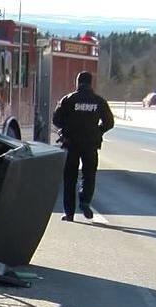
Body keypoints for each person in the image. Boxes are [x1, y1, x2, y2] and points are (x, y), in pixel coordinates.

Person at [52, 70, 114, 221]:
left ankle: (69, 213)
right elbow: (109, 123)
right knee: (89, 175)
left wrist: (66, 129)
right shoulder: (99, 101)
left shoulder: (68, 99)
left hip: (71, 143)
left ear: (78, 82)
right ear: (91, 83)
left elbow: (56, 119)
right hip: (90, 144)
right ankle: (85, 201)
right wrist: (97, 131)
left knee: (70, 178)